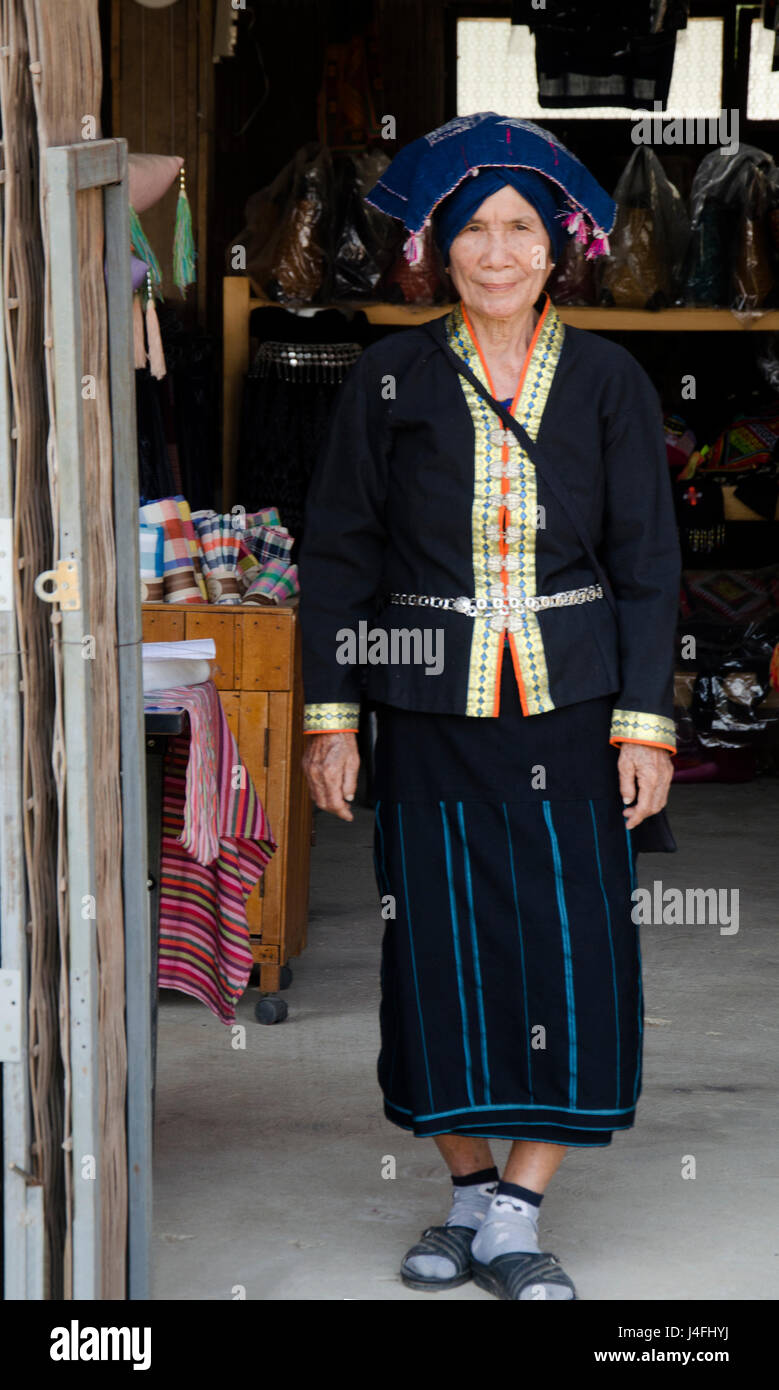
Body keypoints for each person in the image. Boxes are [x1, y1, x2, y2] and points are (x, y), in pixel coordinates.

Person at [298, 114, 680, 1301]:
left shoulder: (608, 379)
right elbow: (341, 551)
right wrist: (329, 712)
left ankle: (518, 1204)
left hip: (570, 709)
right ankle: (464, 1186)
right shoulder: (391, 374)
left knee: (572, 949)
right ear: (434, 250)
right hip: (426, 708)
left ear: (558, 245)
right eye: (473, 230)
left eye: (520, 228)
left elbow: (647, 557)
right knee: (435, 951)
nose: (498, 252)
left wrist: (643, 722)